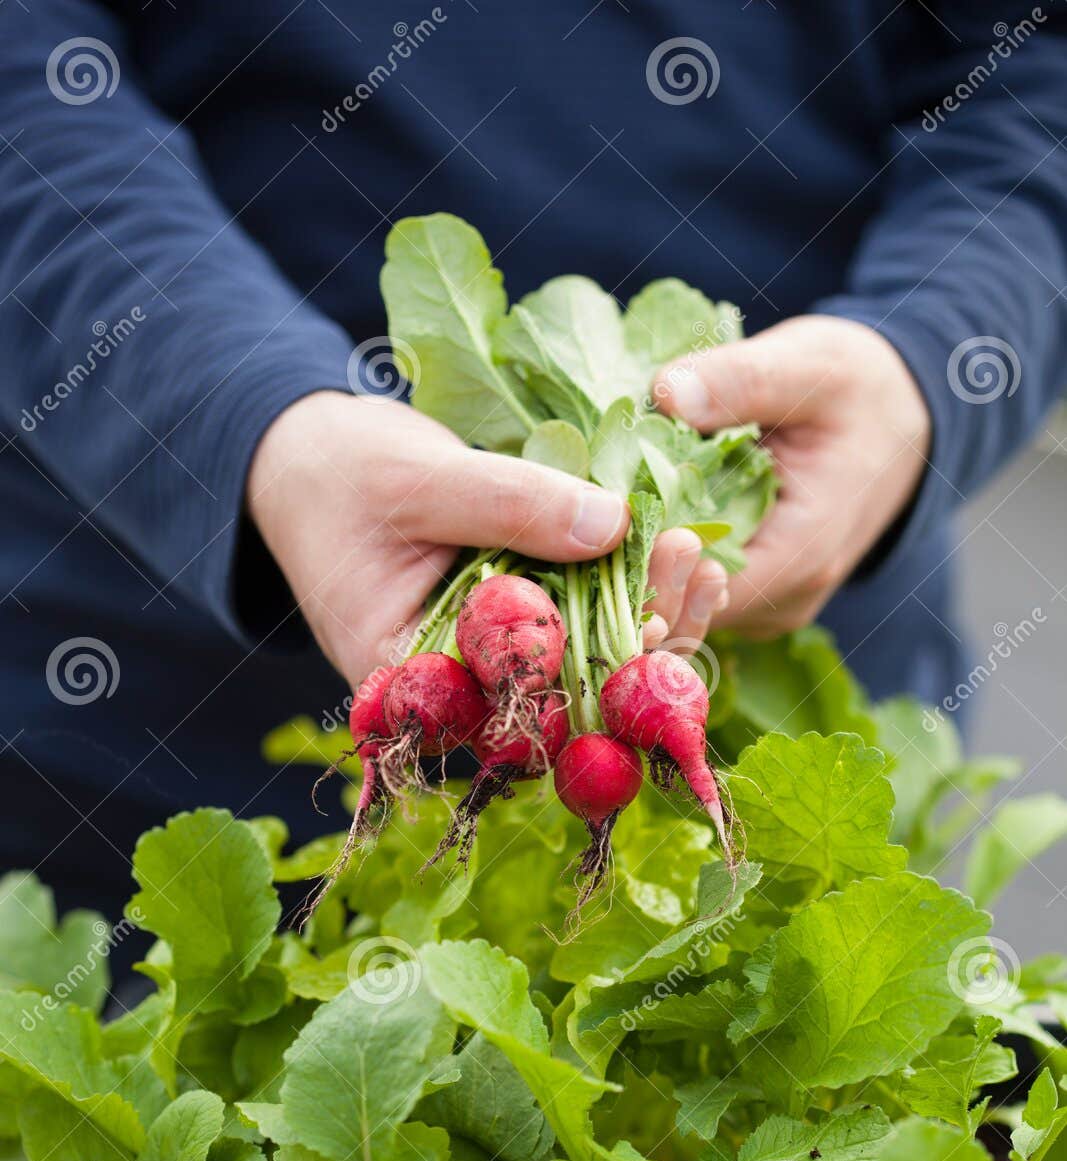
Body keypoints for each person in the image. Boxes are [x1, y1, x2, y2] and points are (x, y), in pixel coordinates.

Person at [1, 1, 1065, 923]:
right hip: (131, 704)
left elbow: (1036, 65)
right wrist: (247, 419)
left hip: (797, 656)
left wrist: (927, 356)